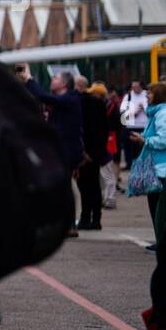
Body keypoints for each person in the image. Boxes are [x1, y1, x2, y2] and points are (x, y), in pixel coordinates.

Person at [17, 67, 83, 238]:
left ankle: (65, 224)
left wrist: (30, 78)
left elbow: (42, 96)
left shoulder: (70, 98)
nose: (52, 80)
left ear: (63, 84)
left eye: (55, 78)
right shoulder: (64, 99)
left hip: (67, 152)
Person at [128, 81, 166, 245]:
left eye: (149, 93)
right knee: (158, 207)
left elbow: (164, 140)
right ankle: (162, 242)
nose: (146, 96)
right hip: (160, 167)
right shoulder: (157, 112)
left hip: (162, 168)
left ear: (158, 95)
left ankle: (164, 243)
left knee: (159, 208)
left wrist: (144, 140)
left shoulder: (164, 114)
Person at [76, 77, 108, 230]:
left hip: (86, 153)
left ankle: (85, 218)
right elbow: (105, 129)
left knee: (84, 185)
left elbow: (84, 130)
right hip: (97, 152)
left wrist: (84, 152)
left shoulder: (82, 102)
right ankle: (96, 219)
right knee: (94, 184)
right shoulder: (100, 104)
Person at [102, 84, 124, 209]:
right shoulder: (113, 105)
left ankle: (110, 197)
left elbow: (122, 121)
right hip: (113, 137)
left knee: (110, 166)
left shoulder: (112, 106)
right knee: (111, 165)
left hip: (111, 138)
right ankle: (109, 196)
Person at [122, 80, 149, 168]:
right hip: (132, 127)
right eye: (133, 87)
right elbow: (123, 113)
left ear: (141, 86)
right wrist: (134, 112)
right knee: (133, 150)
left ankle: (144, 165)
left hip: (145, 127)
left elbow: (152, 110)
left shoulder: (147, 94)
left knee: (143, 149)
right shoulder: (128, 96)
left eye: (136, 87)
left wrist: (144, 109)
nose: (134, 89)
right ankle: (132, 165)